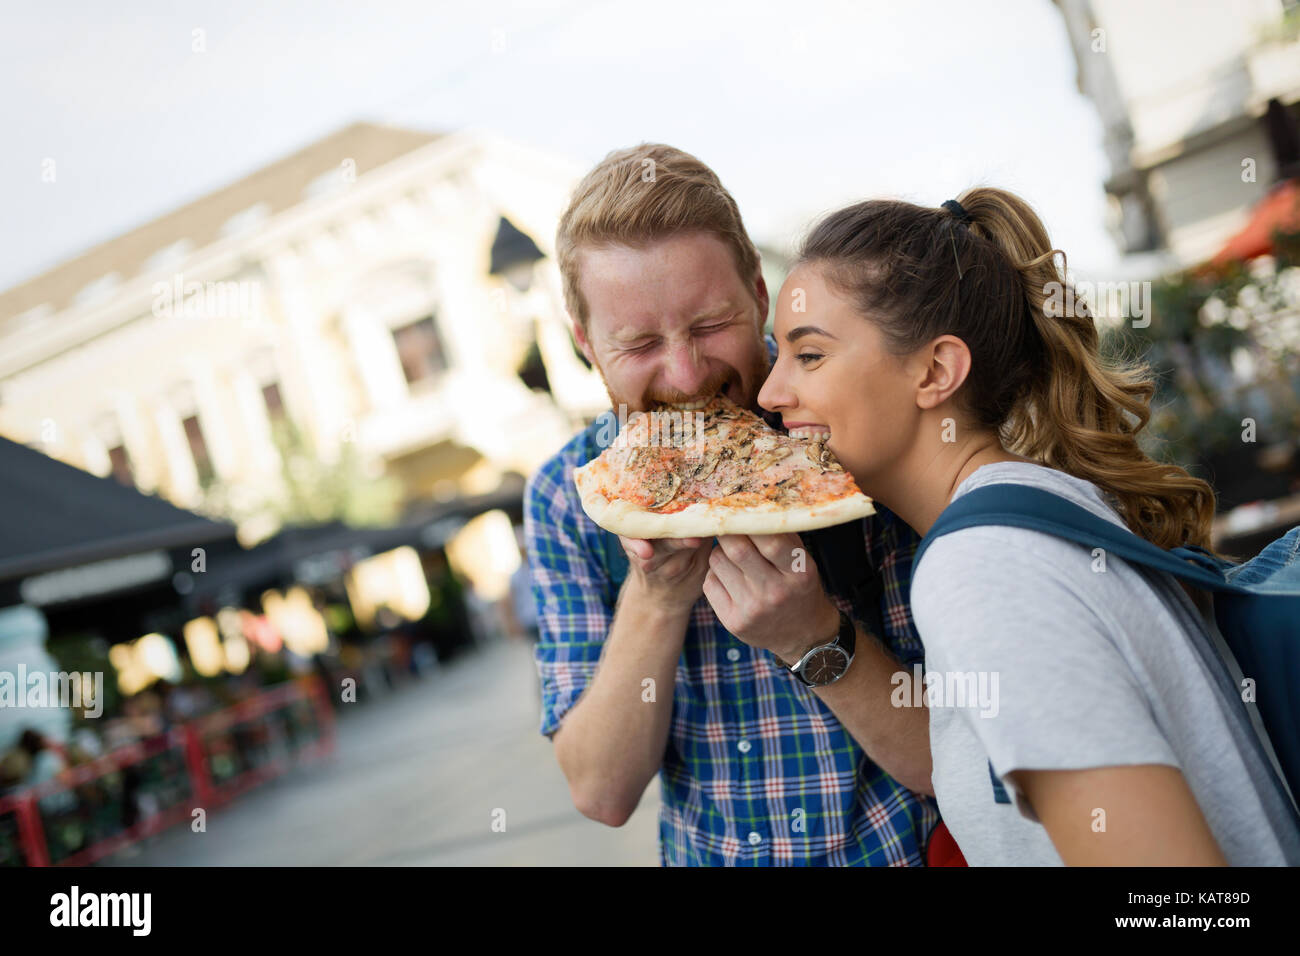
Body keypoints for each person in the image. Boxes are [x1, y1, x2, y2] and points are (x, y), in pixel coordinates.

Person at [753, 186, 1300, 865]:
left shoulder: (982, 567)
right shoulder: (1038, 508)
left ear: (936, 371)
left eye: (809, 356)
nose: (770, 395)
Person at [525, 144, 940, 866]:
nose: (686, 376)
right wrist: (657, 599)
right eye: (641, 343)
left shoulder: (853, 422)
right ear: (585, 342)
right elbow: (601, 791)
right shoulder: (569, 496)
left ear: (757, 292)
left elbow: (963, 756)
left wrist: (814, 639)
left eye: (711, 325)